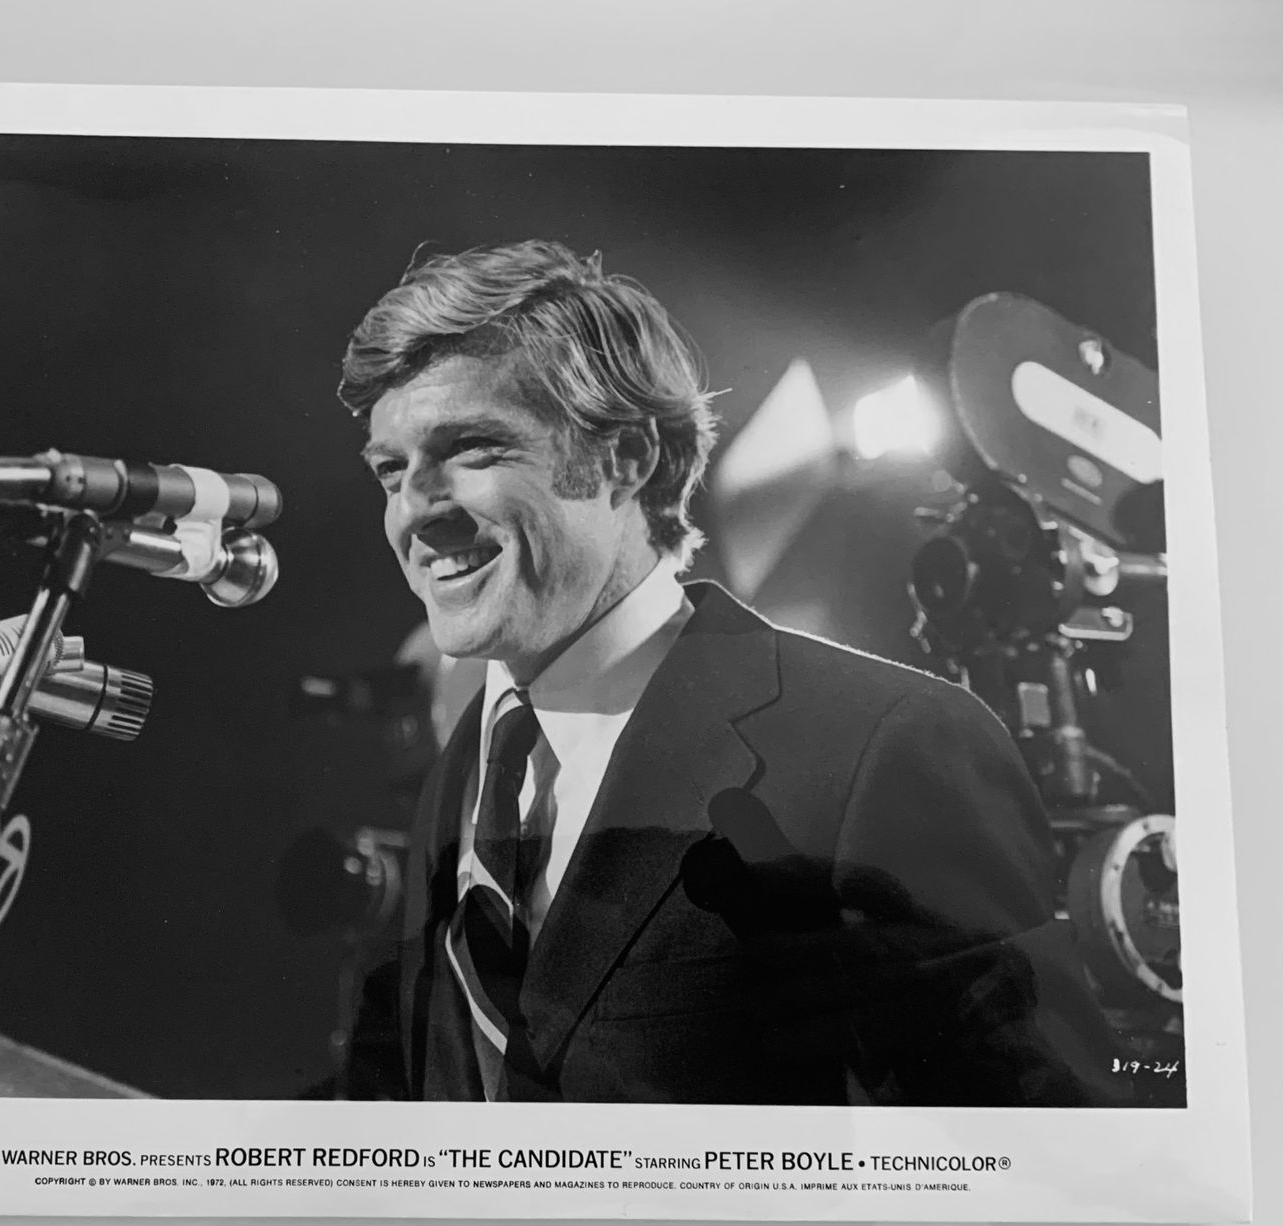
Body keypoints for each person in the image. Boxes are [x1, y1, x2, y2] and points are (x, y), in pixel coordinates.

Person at [334, 239, 1119, 1105]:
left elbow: (1040, 1147)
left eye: (474, 451)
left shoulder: (889, 742)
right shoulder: (463, 772)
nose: (416, 510)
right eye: (390, 472)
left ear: (625, 458)